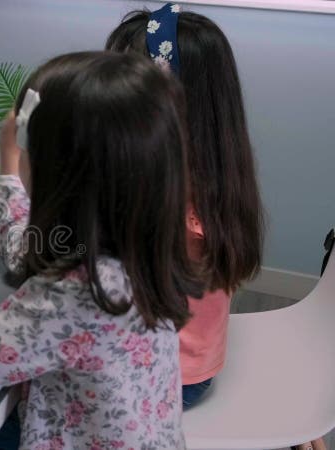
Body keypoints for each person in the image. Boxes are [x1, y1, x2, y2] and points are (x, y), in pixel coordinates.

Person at [0, 51, 202, 449]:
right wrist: (7, 167)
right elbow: (21, 250)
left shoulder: (72, 297)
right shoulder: (143, 245)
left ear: (62, 176)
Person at [105, 3, 265, 410]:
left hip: (164, 376)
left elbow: (93, 280)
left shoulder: (162, 194)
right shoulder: (220, 170)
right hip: (188, 363)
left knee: (15, 413)